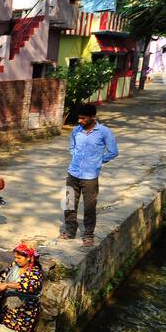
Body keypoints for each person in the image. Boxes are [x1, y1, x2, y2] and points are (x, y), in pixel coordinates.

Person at [63, 102, 118, 247]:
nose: (80, 121)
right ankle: (69, 231)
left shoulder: (104, 132)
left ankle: (88, 235)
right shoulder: (76, 131)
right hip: (72, 173)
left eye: (83, 118)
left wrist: (98, 162)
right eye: (79, 118)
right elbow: (72, 147)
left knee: (89, 207)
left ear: (93, 117)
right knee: (68, 203)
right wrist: (75, 157)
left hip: (90, 177)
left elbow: (113, 151)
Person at [0, 243, 45, 332]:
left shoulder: (35, 271)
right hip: (7, 305)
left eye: (19, 258)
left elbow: (30, 287)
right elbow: (4, 277)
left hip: (23, 309)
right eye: (15, 257)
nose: (16, 260)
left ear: (28, 258)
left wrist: (7, 285)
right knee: (2, 329)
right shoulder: (14, 265)